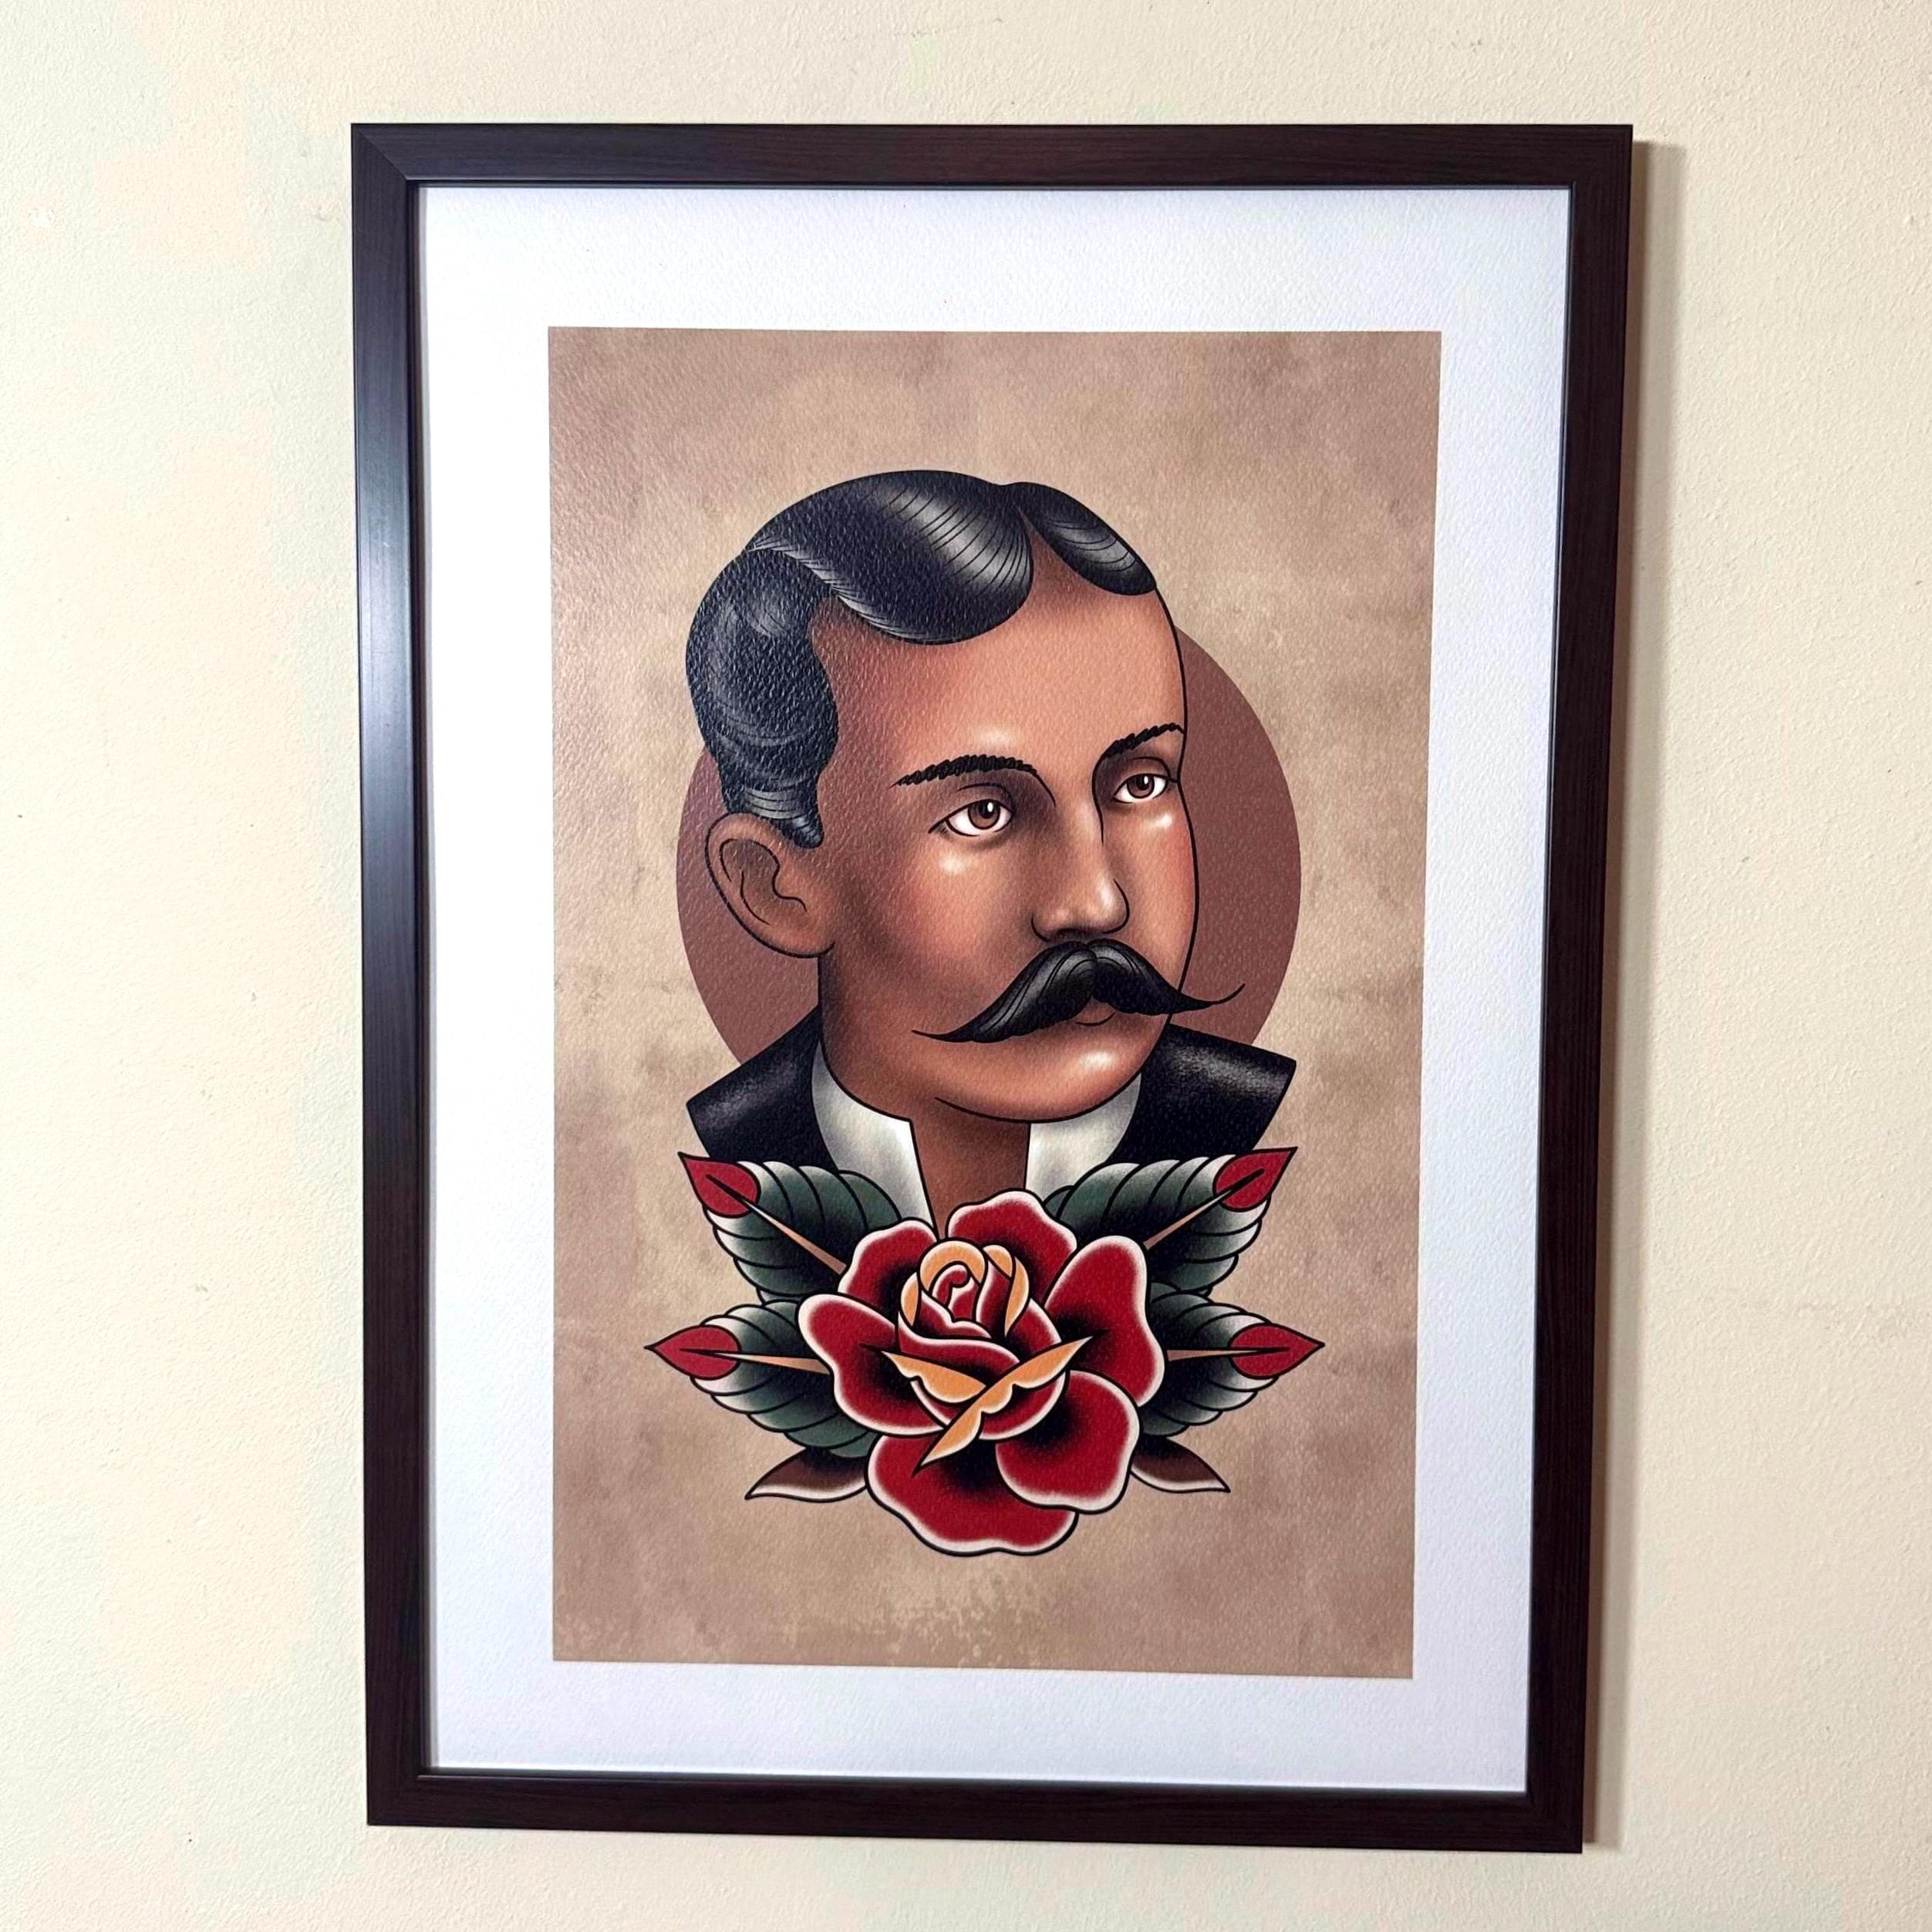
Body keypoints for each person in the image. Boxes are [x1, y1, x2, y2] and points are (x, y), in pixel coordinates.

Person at [683, 470, 1293, 1226]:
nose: (1095, 904)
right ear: (773, 886)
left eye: (1139, 784)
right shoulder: (723, 1164)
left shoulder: (1263, 1134)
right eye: (983, 814)